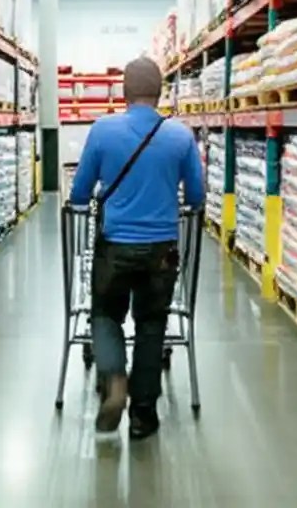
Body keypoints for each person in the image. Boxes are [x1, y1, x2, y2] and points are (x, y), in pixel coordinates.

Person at [68, 56, 205, 440]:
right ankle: (144, 415)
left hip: (114, 247)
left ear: (124, 92)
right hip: (162, 249)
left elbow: (79, 192)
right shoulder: (180, 136)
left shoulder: (102, 130)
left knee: (106, 314)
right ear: (160, 93)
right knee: (151, 323)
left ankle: (114, 379)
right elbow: (196, 196)